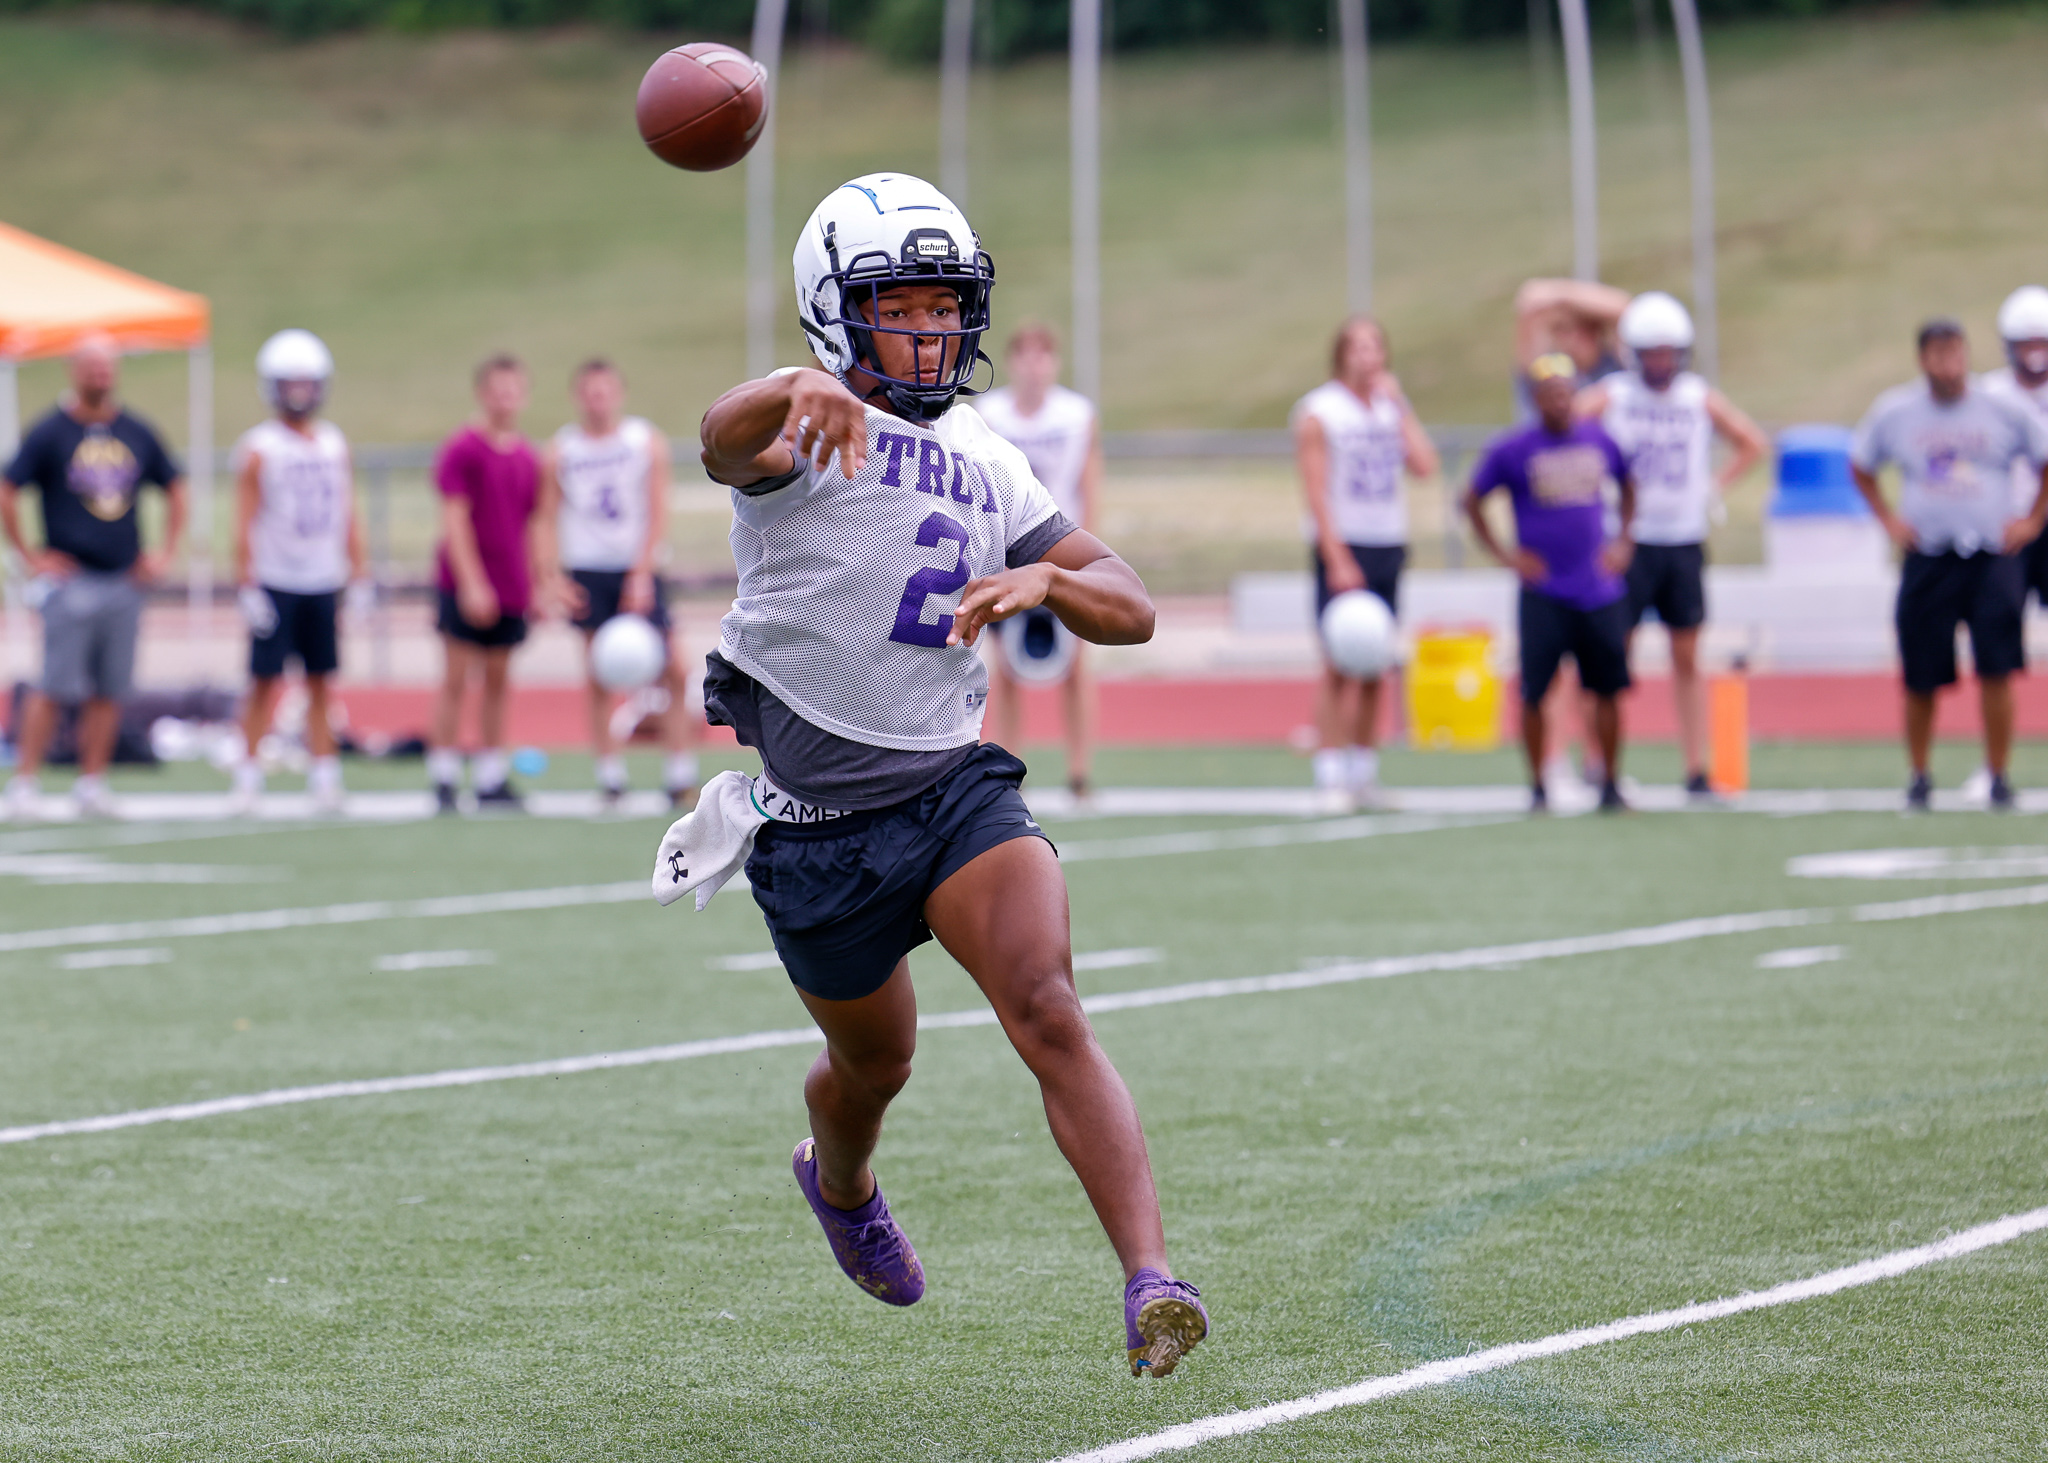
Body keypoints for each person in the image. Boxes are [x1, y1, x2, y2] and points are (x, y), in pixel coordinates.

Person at [693, 172, 1206, 1375]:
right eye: (899, 306)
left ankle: (1150, 1277)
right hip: (819, 826)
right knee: (875, 1063)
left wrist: (1049, 581)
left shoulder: (988, 452)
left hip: (951, 787)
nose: (928, 330)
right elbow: (718, 435)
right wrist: (789, 383)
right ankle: (841, 1178)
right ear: (835, 311)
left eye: (944, 306)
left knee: (1048, 1005)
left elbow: (1128, 605)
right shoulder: (802, 425)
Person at [1574, 292, 1768, 799]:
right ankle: (1599, 761)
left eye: (1668, 353)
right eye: (1652, 353)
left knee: (1687, 655)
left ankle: (1694, 766)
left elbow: (1751, 441)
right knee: (1611, 654)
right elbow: (1565, 433)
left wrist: (1714, 486)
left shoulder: (1695, 396)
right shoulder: (1613, 396)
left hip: (1682, 540)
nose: (1661, 363)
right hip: (1628, 542)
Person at [1851, 319, 2048, 812]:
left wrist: (2031, 521)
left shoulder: (2002, 408)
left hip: (1989, 555)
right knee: (1921, 674)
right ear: (1923, 360)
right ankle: (1919, 774)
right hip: (1929, 557)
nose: (1950, 365)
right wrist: (1890, 519)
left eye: (1956, 353)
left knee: (1997, 668)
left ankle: (1998, 772)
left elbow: (2045, 457)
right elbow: (1861, 463)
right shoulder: (1897, 411)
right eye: (1939, 355)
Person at [1, 335, 185, 820]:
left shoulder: (135, 430)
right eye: (92, 368)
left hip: (123, 579)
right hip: (72, 578)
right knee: (54, 685)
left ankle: (92, 782)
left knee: (110, 688)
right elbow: (9, 486)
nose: (100, 376)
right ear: (73, 371)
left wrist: (163, 552)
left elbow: (174, 484)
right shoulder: (51, 432)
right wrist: (28, 554)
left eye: (107, 368)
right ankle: (25, 781)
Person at [1464, 354, 1637, 813]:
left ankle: (1610, 780)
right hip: (1543, 591)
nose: (1560, 402)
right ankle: (1538, 784)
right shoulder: (1513, 449)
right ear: (1536, 400)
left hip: (1597, 588)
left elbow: (1631, 484)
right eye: (1550, 394)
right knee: (1535, 691)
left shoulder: (1599, 439)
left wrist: (1623, 543)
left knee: (1606, 689)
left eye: (1566, 392)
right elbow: (1471, 499)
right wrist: (1505, 555)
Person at [536, 359, 701, 809]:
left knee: (673, 669)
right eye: (589, 391)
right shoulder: (562, 449)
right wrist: (551, 577)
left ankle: (678, 772)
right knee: (598, 674)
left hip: (636, 567)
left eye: (604, 391)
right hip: (589, 569)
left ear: (619, 394)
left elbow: (655, 509)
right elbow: (546, 517)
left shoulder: (643, 441)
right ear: (577, 396)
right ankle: (609, 775)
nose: (597, 399)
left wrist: (642, 571)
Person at [1292, 316, 1439, 805]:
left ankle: (1363, 771)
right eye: (1357, 347)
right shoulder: (1320, 411)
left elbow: (1425, 466)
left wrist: (1400, 405)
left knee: (1377, 659)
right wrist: (1336, 556)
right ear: (1340, 354)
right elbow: (1315, 491)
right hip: (1346, 542)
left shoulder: (1387, 408)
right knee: (1338, 659)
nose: (1368, 356)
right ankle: (1329, 772)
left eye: (1375, 346)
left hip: (1386, 541)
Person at [228, 329, 370, 816]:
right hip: (276, 578)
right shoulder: (260, 447)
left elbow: (349, 513)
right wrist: (247, 584)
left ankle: (325, 775)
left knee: (321, 682)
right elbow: (243, 520)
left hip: (322, 578)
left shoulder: (333, 444)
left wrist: (361, 574)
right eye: (290, 384)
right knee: (263, 681)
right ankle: (246, 775)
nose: (299, 393)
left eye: (307, 384)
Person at [975, 325, 1104, 797]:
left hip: (1059, 546)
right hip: (1009, 551)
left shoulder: (1075, 415)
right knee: (1004, 665)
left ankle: (1080, 770)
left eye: (1043, 355)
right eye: (1025, 356)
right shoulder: (990, 415)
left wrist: (1086, 552)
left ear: (1055, 362)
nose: (1034, 366)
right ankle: (1009, 767)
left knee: (1076, 663)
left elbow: (1090, 484)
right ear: (1012, 363)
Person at [429, 354, 541, 814]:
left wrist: (534, 581)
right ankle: (444, 775)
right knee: (456, 678)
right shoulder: (463, 449)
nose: (505, 398)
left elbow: (533, 525)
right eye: (497, 389)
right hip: (466, 583)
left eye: (513, 389)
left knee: (498, 679)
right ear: (482, 394)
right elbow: (454, 522)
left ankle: (491, 774)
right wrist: (472, 583)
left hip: (510, 583)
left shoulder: (528, 457)